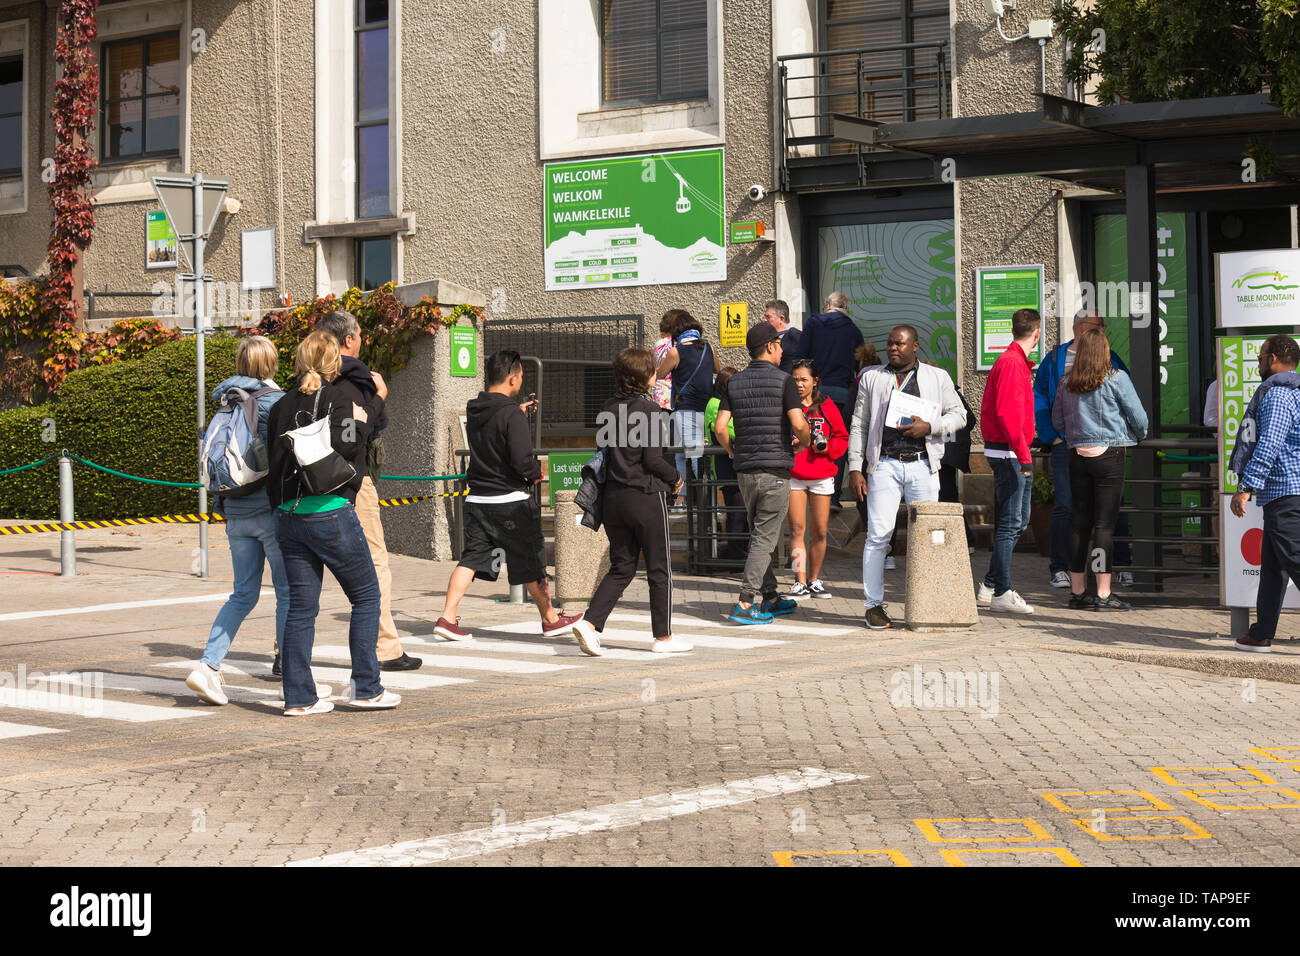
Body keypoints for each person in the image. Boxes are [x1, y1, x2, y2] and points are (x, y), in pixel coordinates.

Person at [267, 329, 398, 715]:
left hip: (289, 515)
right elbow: (350, 444)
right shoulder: (339, 398)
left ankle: (299, 698)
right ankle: (366, 688)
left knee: (301, 606)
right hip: (330, 510)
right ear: (334, 364)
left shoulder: (281, 404)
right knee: (366, 596)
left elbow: (273, 459)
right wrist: (374, 404)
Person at [433, 350, 593, 652]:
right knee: (530, 559)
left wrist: (516, 412)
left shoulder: (476, 409)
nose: (521, 381)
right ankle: (550, 618)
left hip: (478, 498)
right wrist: (535, 472)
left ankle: (447, 617)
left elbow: (495, 430)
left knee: (471, 558)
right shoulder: (511, 415)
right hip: (511, 500)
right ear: (512, 378)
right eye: (520, 376)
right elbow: (521, 460)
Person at [315, 310, 421, 672]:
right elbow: (355, 434)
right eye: (359, 335)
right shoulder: (356, 380)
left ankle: (286, 651)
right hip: (353, 480)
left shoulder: (311, 378)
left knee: (305, 570)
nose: (362, 340)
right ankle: (385, 647)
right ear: (348, 340)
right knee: (375, 562)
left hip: (309, 483)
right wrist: (379, 398)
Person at [186, 336, 289, 706]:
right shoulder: (275, 402)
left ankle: (207, 666)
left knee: (243, 594)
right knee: (288, 592)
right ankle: (291, 670)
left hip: (235, 512)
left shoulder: (226, 401)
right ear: (271, 364)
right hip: (270, 512)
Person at [847, 325, 967, 629]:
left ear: (915, 346)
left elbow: (960, 415)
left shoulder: (937, 377)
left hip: (922, 465)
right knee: (878, 536)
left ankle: (929, 603)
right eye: (890, 343)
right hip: (884, 465)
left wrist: (931, 427)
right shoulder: (872, 378)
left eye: (900, 344)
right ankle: (873, 606)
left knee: (929, 536)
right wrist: (855, 467)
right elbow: (859, 423)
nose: (893, 348)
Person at [575, 349, 691, 654]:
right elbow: (653, 460)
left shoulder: (607, 408)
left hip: (613, 498)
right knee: (659, 569)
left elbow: (603, 452)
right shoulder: (650, 410)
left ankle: (589, 623)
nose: (656, 374)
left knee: (622, 567)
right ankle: (663, 637)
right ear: (643, 376)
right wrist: (676, 478)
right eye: (652, 370)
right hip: (646, 496)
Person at [714, 323, 811, 624]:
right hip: (774, 470)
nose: (782, 350)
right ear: (770, 346)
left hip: (745, 471)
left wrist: (732, 451)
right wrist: (804, 442)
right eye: (779, 345)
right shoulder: (784, 381)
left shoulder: (734, 382)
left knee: (760, 534)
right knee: (764, 539)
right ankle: (745, 604)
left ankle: (770, 597)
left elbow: (720, 428)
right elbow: (798, 424)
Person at [1034, 309, 1134, 590]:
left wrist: (1122, 434)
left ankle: (1121, 565)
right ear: (1080, 327)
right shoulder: (1055, 359)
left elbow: (1126, 395)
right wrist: (1051, 436)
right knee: (1066, 506)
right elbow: (1040, 396)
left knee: (1111, 509)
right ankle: (1060, 568)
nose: (1103, 330)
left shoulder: (1111, 357)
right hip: (1068, 445)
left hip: (1106, 445)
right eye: (1098, 325)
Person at [1051, 328, 1149, 612]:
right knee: (1104, 526)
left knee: (1079, 523)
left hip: (1077, 455)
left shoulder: (1066, 382)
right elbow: (1139, 418)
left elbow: (1058, 421)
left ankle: (1077, 592)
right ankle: (1104, 593)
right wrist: (1136, 435)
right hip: (1109, 455)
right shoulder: (1116, 378)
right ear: (1104, 352)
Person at [1230, 334, 1300, 653]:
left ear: (1273, 359)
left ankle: (1261, 634)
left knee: (1294, 561)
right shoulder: (1292, 391)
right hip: (1284, 493)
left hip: (1287, 492)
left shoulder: (1278, 396)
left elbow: (1269, 445)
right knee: (1272, 569)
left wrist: (1245, 487)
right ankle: (1261, 634)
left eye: (1260, 358)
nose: (1258, 363)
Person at [978, 308, 1041, 615]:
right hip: (1009, 452)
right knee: (1011, 523)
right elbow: (1009, 414)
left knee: (1018, 521)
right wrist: (1025, 457)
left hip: (1008, 450)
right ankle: (1002, 591)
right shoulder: (1014, 363)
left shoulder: (1011, 360)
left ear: (1013, 329)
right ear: (1037, 334)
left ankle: (991, 584)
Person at [794, 291, 864, 508]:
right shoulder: (854, 330)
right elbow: (859, 364)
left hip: (814, 393)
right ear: (846, 309)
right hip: (842, 392)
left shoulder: (813, 324)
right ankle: (832, 496)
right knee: (836, 440)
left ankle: (806, 489)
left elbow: (801, 357)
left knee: (806, 435)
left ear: (827, 305)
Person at [786, 359, 848, 600]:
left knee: (820, 530)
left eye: (804, 379)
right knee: (796, 529)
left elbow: (842, 437)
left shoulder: (827, 405)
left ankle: (814, 579)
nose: (799, 384)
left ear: (815, 381)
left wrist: (828, 448)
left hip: (821, 474)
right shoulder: (787, 405)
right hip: (794, 475)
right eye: (795, 380)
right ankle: (799, 581)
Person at [655, 311, 719, 507]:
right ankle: (684, 498)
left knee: (691, 454)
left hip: (685, 409)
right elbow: (717, 369)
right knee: (685, 453)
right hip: (706, 408)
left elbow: (660, 374)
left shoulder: (676, 352)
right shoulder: (708, 347)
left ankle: (704, 503)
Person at [705, 367, 748, 561]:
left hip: (732, 463)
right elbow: (727, 431)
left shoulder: (719, 401)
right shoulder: (716, 404)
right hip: (727, 464)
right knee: (737, 511)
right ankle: (737, 556)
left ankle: (740, 554)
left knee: (740, 510)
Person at [764, 299, 801, 374]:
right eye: (765, 316)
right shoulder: (768, 338)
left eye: (768, 317)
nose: (765, 320)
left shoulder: (797, 337)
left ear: (781, 318)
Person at [652, 311, 678, 412]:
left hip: (660, 395)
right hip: (675, 396)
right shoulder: (677, 344)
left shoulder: (659, 343)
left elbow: (656, 365)